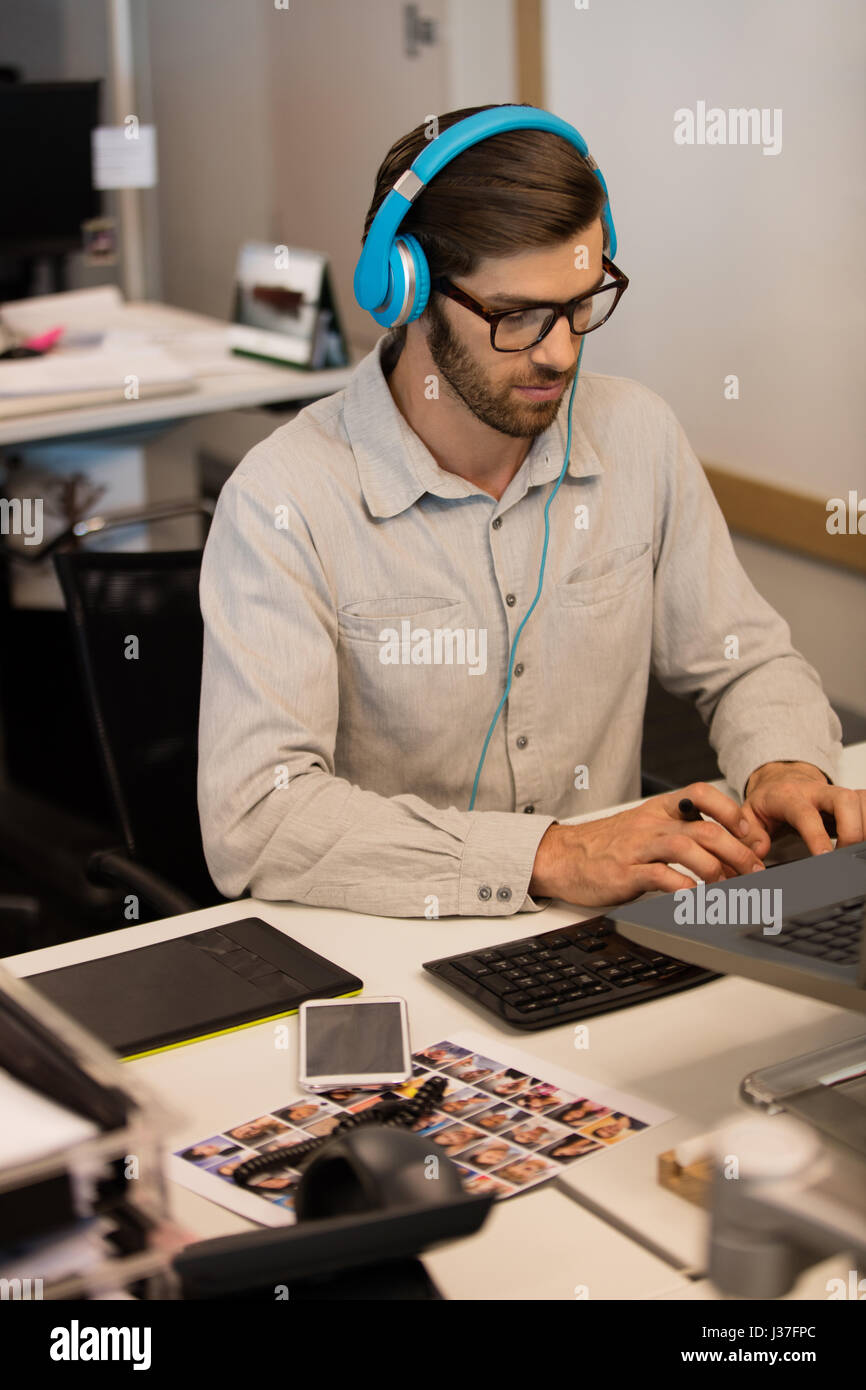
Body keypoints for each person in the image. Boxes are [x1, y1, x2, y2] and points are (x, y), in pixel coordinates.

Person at [199, 104, 863, 919]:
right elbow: (257, 817)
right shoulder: (284, 497)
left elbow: (743, 661)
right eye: (517, 315)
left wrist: (785, 764)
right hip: (390, 943)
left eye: (582, 302)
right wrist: (553, 855)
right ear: (406, 291)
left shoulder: (637, 434)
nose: (561, 351)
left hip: (612, 929)